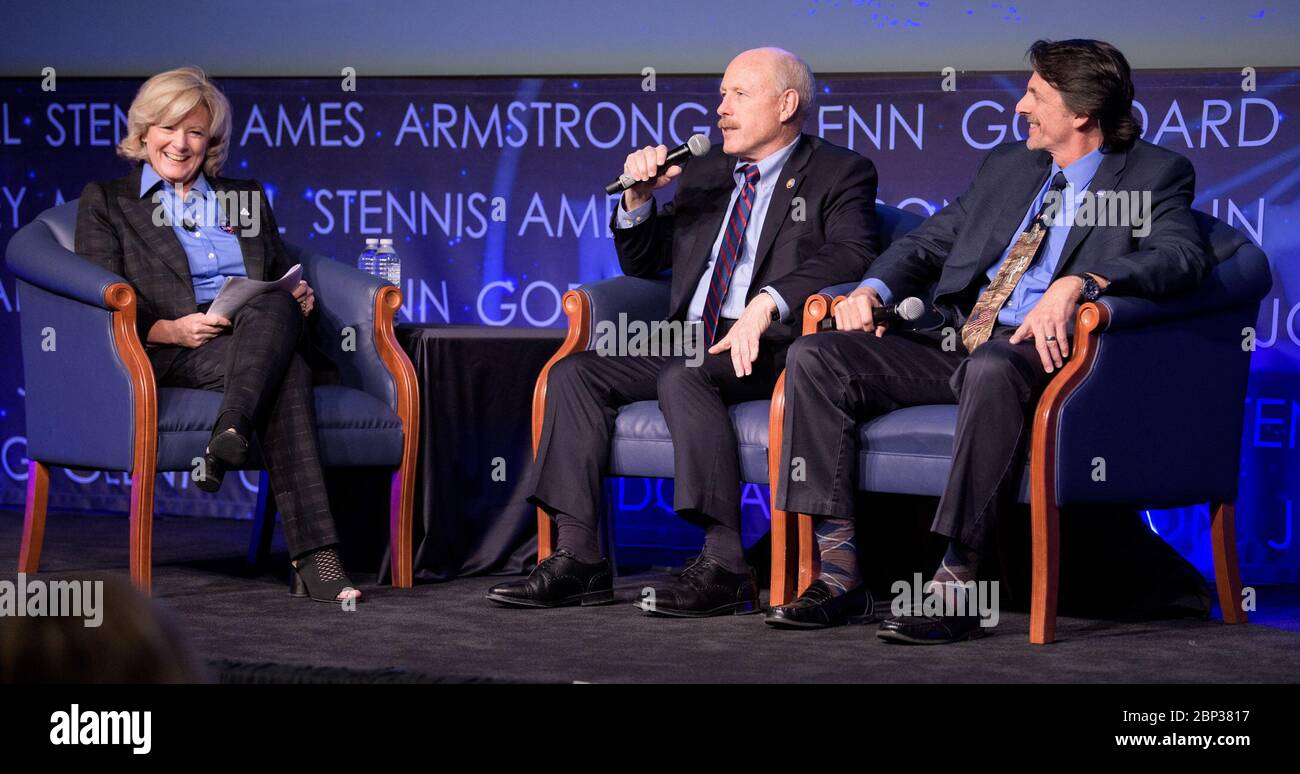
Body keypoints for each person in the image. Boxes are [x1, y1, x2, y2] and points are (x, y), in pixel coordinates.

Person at [769, 39, 1212, 640]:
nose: (1020, 106)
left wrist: (1083, 283)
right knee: (815, 355)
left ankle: (957, 584)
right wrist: (869, 289)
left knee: (994, 366)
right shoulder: (1010, 166)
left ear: (1081, 112)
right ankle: (841, 573)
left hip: (1049, 353)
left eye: (1035, 94)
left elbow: (1181, 257)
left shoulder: (1155, 174)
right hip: (958, 336)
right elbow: (929, 241)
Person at [488, 47, 879, 617]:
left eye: (738, 95)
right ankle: (579, 559)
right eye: (721, 94)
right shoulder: (708, 171)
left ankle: (726, 566)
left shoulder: (839, 172)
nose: (721, 108)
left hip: (772, 344)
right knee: (574, 373)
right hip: (690, 337)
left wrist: (768, 302)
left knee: (684, 376)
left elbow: (854, 251)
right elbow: (645, 263)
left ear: (787, 103)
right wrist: (638, 199)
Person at [74, 67, 360, 603]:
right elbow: (99, 292)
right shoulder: (108, 201)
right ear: (143, 131)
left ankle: (230, 429)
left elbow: (275, 274)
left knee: (276, 306)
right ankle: (317, 557)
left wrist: (301, 299)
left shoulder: (243, 197)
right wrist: (170, 329)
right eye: (167, 128)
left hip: (249, 333)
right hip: (171, 348)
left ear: (212, 142)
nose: (180, 144)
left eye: (195, 132)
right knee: (289, 370)